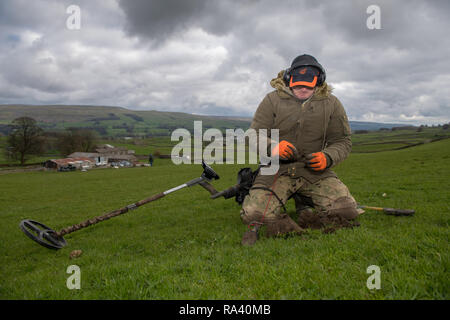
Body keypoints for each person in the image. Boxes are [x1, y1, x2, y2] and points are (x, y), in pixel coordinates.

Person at [240, 54, 362, 245]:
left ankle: (302, 201)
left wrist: (327, 157)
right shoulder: (271, 100)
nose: (302, 89)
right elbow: (253, 134)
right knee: (254, 215)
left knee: (346, 211)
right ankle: (295, 198)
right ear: (288, 79)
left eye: (308, 85)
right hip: (276, 170)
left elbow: (342, 141)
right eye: (298, 84)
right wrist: (273, 147)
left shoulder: (332, 104)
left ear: (319, 82)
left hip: (315, 171)